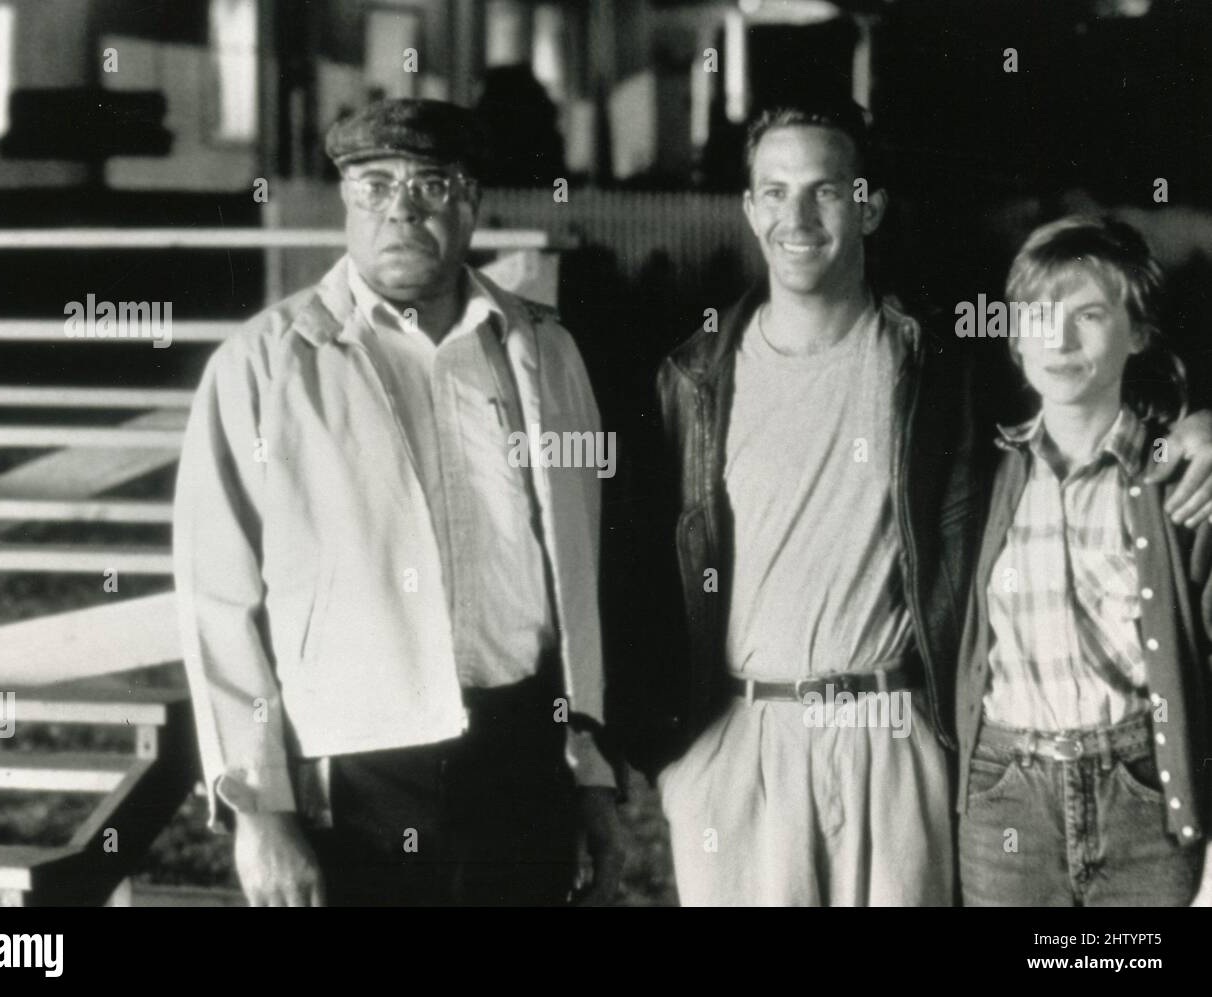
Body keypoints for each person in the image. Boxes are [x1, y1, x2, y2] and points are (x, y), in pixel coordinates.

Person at [621, 96, 1212, 906]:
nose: (798, 214)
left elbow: (1089, 380)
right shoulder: (689, 380)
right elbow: (642, 569)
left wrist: (1202, 420)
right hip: (743, 742)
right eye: (775, 190)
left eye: (827, 189)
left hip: (894, 734)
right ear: (750, 207)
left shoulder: (942, 365)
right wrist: (676, 757)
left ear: (869, 207)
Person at [173, 98, 626, 906]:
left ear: (473, 201)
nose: (401, 209)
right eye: (374, 185)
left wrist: (585, 770)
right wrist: (260, 808)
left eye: (431, 184)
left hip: (519, 755)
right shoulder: (261, 368)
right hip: (357, 774)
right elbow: (219, 604)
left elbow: (576, 576)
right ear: (344, 201)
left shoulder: (543, 352)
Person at [955, 216, 1212, 906]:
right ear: (1013, 337)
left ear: (1139, 333)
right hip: (1006, 794)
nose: (1060, 340)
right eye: (1040, 316)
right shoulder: (983, 474)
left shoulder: (1179, 475)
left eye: (1091, 314)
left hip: (1143, 794)